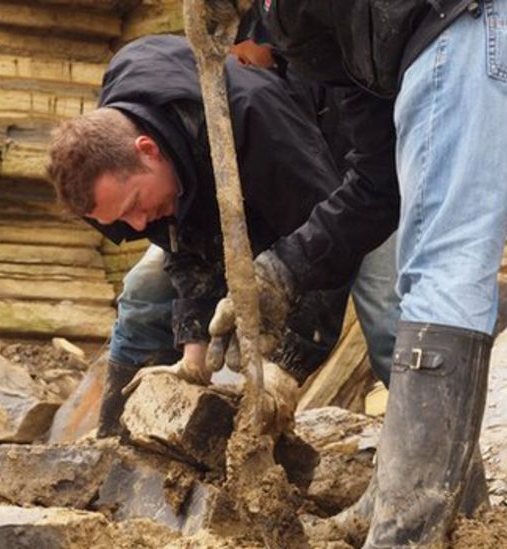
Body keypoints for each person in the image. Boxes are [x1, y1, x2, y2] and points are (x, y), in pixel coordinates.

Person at [200, 0, 507, 545]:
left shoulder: (290, 15)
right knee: (445, 244)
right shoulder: (333, 24)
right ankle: (415, 501)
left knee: (444, 265)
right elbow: (383, 184)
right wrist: (284, 272)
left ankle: (405, 533)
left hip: (489, 19)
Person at [46, 34, 400, 438]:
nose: (139, 225)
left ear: (148, 149)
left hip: (349, 184)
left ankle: (437, 473)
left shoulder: (253, 113)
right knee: (144, 291)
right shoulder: (114, 156)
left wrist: (286, 367)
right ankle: (117, 444)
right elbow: (179, 236)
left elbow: (327, 247)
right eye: (125, 219)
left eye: (135, 206)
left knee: (389, 318)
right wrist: (193, 356)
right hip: (227, 190)